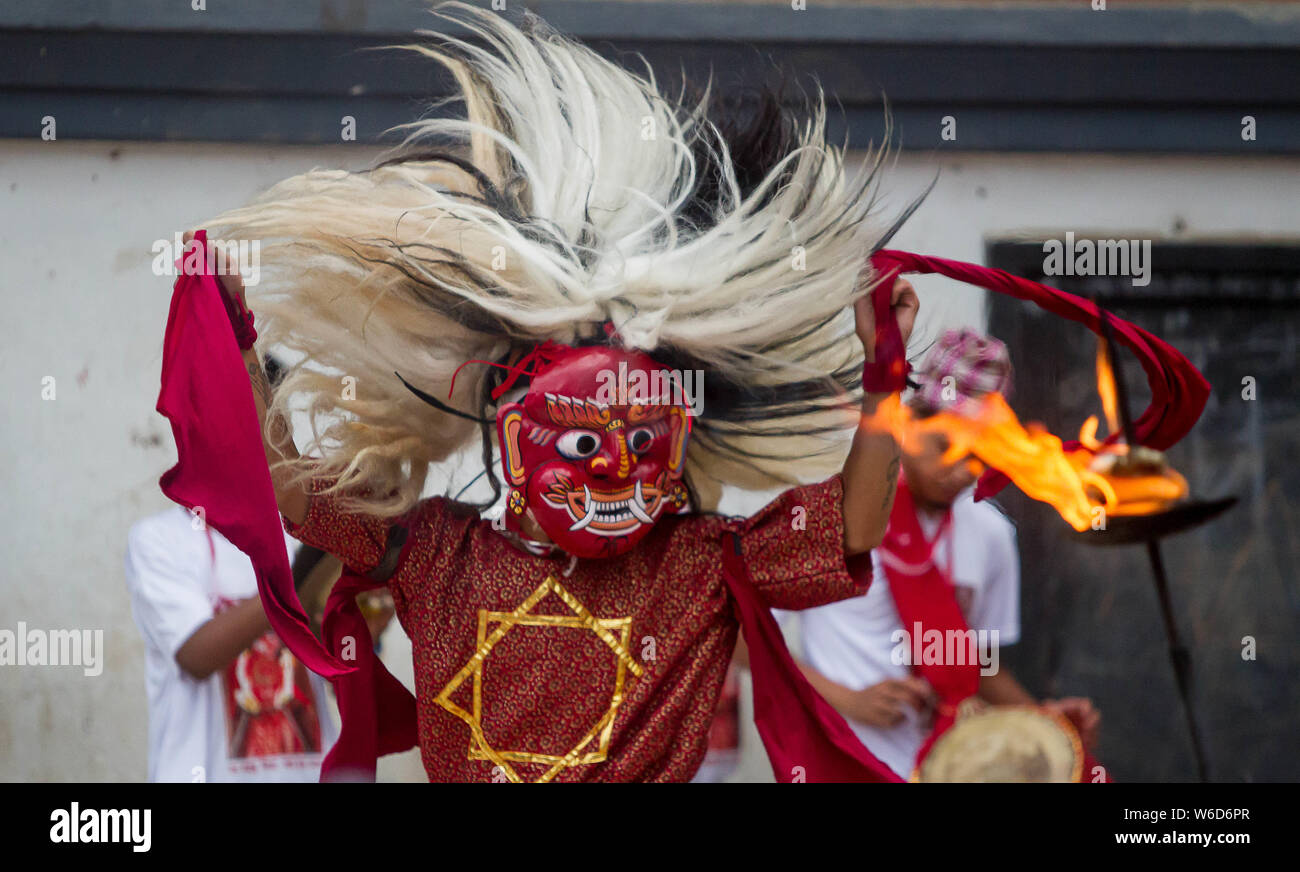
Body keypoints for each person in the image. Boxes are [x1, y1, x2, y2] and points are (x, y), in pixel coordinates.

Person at [163, 5, 925, 782]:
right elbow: (291, 492)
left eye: (639, 441)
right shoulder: (434, 552)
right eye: (584, 442)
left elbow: (852, 526)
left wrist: (885, 376)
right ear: (514, 438)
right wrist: (238, 342)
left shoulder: (701, 562)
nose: (613, 468)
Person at [784, 328, 1101, 780]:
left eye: (978, 456)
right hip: (837, 762)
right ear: (910, 423)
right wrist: (847, 699)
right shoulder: (831, 516)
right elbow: (742, 635)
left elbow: (978, 668)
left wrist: (1045, 723)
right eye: (944, 447)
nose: (960, 471)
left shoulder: (991, 533)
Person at [125, 505, 338, 782]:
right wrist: (296, 584)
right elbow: (196, 657)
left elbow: (336, 666)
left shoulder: (296, 530)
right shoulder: (159, 538)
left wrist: (369, 621)